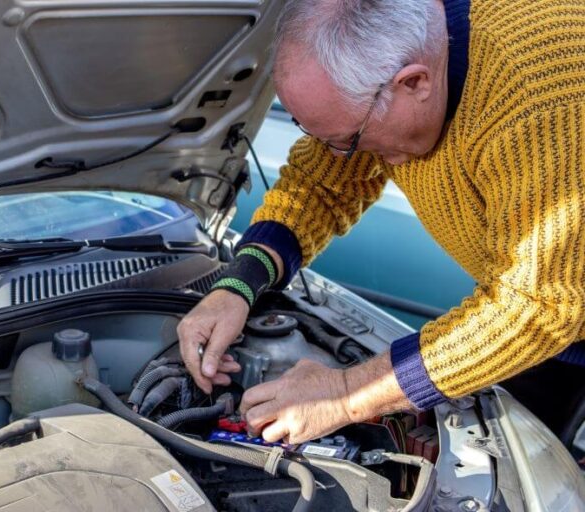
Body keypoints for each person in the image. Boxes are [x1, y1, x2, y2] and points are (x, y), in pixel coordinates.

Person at [177, 0, 585, 444]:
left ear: (414, 82)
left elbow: (538, 305)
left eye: (347, 141)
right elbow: (322, 185)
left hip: (547, 299)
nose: (340, 155)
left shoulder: (538, 100)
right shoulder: (383, 70)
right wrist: (236, 286)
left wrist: (347, 393)